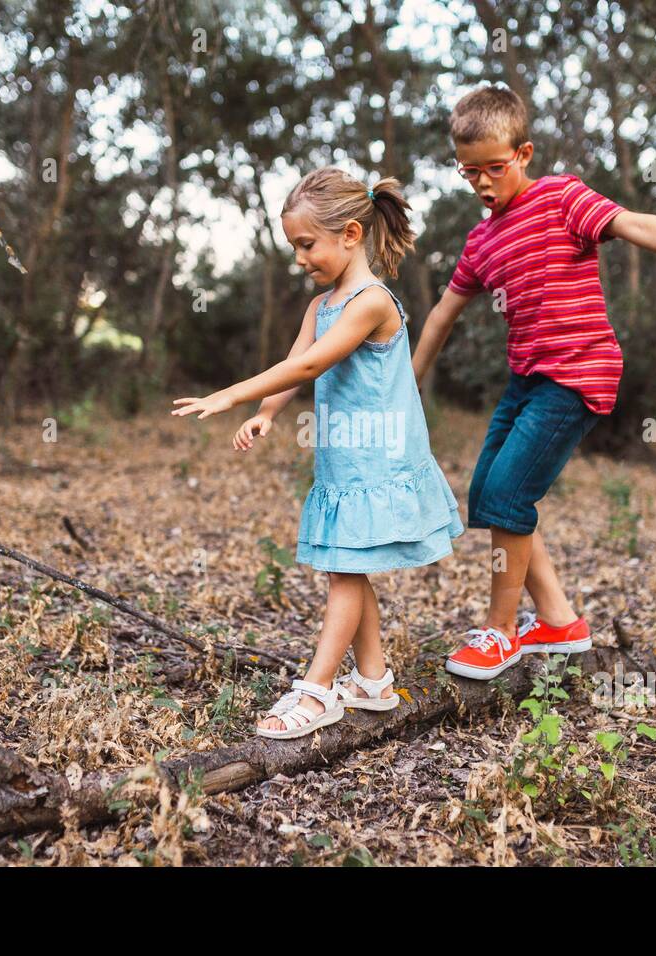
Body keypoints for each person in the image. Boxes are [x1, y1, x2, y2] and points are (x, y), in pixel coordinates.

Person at [409, 84, 656, 680]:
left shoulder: (561, 199)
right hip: (526, 379)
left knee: (510, 496)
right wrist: (407, 387)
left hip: (575, 374)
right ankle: (560, 622)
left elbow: (638, 223)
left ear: (523, 153)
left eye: (495, 167)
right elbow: (442, 313)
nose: (484, 183)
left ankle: (500, 632)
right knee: (490, 494)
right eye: (470, 173)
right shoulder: (479, 240)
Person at [172, 167, 463, 738]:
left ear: (351, 234)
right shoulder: (321, 305)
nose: (300, 258)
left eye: (307, 244)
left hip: (377, 461)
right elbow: (294, 364)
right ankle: (375, 681)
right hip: (343, 460)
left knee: (345, 574)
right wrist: (265, 412)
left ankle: (318, 690)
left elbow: (311, 365)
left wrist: (230, 394)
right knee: (345, 566)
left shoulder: (372, 301)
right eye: (294, 247)